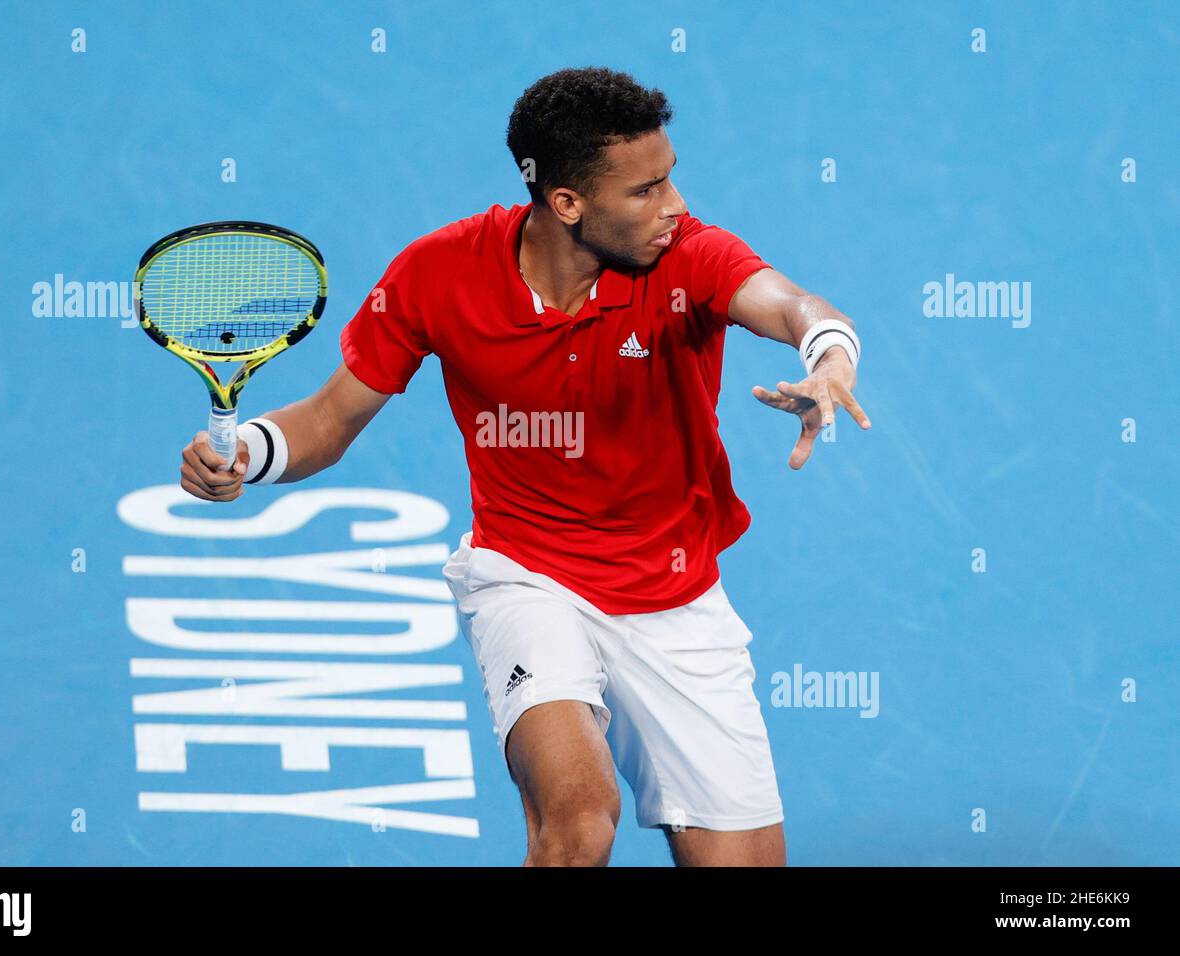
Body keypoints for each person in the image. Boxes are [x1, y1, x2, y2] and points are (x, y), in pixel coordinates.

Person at [179, 67, 870, 866]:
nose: (674, 204)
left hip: (675, 593)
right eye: (645, 190)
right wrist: (250, 456)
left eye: (670, 176)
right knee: (578, 821)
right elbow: (332, 418)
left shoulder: (689, 256)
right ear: (567, 203)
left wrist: (828, 356)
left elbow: (794, 306)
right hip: (528, 576)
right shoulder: (440, 273)